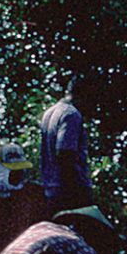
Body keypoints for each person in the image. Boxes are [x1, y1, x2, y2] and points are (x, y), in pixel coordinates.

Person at [39, 77, 94, 214]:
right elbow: (64, 153)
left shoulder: (49, 113)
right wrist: (77, 194)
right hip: (70, 194)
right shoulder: (71, 114)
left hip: (51, 190)